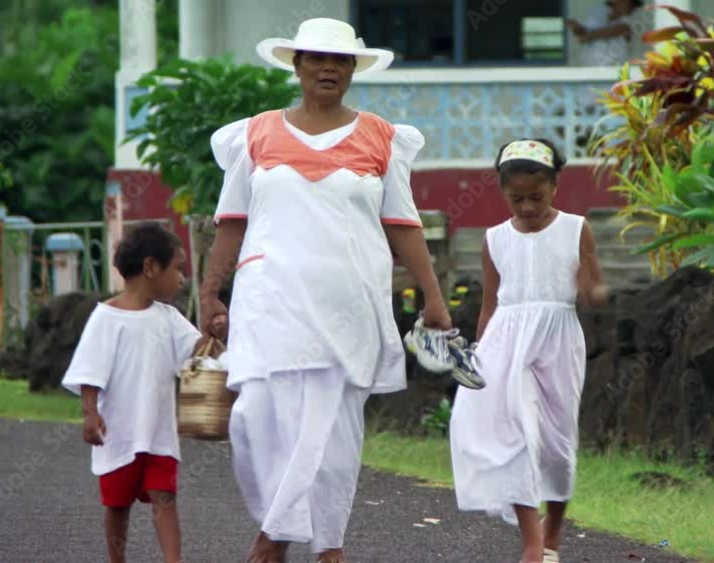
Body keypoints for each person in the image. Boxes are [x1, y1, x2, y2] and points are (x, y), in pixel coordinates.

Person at [199, 18, 455, 563]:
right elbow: (231, 222)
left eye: (340, 60)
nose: (328, 68)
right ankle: (282, 525)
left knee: (331, 428)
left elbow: (404, 226)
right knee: (254, 418)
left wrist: (434, 297)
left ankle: (310, 545)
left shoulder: (385, 139)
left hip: (349, 303)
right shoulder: (253, 135)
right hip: (269, 299)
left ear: (354, 70)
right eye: (316, 58)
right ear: (295, 65)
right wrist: (210, 293)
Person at [449, 138, 609, 563]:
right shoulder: (494, 238)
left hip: (558, 342)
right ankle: (532, 544)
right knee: (516, 435)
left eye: (536, 197)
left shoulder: (577, 228)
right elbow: (490, 304)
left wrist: (595, 291)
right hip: (505, 344)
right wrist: (479, 356)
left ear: (555, 186)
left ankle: (552, 533)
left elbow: (593, 284)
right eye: (516, 198)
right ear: (503, 192)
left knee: (557, 441)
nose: (526, 206)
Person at [61, 223, 214, 563]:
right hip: (119, 434)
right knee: (117, 506)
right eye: (177, 268)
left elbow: (199, 352)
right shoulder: (106, 318)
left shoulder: (169, 318)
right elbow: (90, 371)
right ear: (150, 267)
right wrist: (90, 413)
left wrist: (216, 332)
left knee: (165, 497)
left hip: (159, 433)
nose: (181, 279)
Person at [567, 0, 646, 66]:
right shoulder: (601, 13)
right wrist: (577, 29)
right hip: (592, 72)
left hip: (613, 74)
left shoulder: (633, 19)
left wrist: (587, 36)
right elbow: (584, 33)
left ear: (631, 5)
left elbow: (619, 30)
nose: (618, 2)